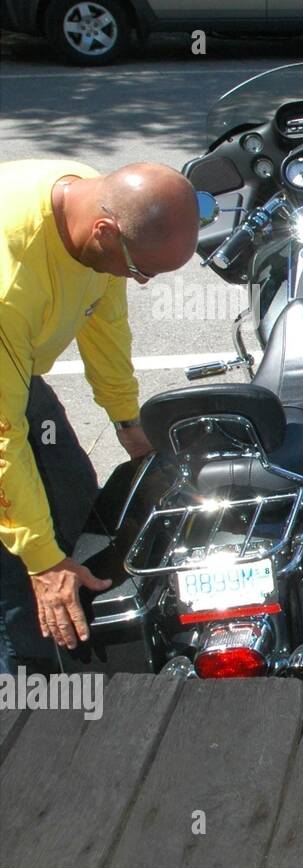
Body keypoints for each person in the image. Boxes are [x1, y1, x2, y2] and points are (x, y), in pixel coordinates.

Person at [0, 161, 199, 675]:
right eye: (141, 271)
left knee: (77, 501)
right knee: (17, 574)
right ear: (104, 232)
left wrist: (127, 421)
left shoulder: (89, 200)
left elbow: (104, 321)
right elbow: (3, 443)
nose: (143, 283)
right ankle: (29, 693)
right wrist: (42, 562)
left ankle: (85, 632)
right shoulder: (9, 283)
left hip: (14, 368)